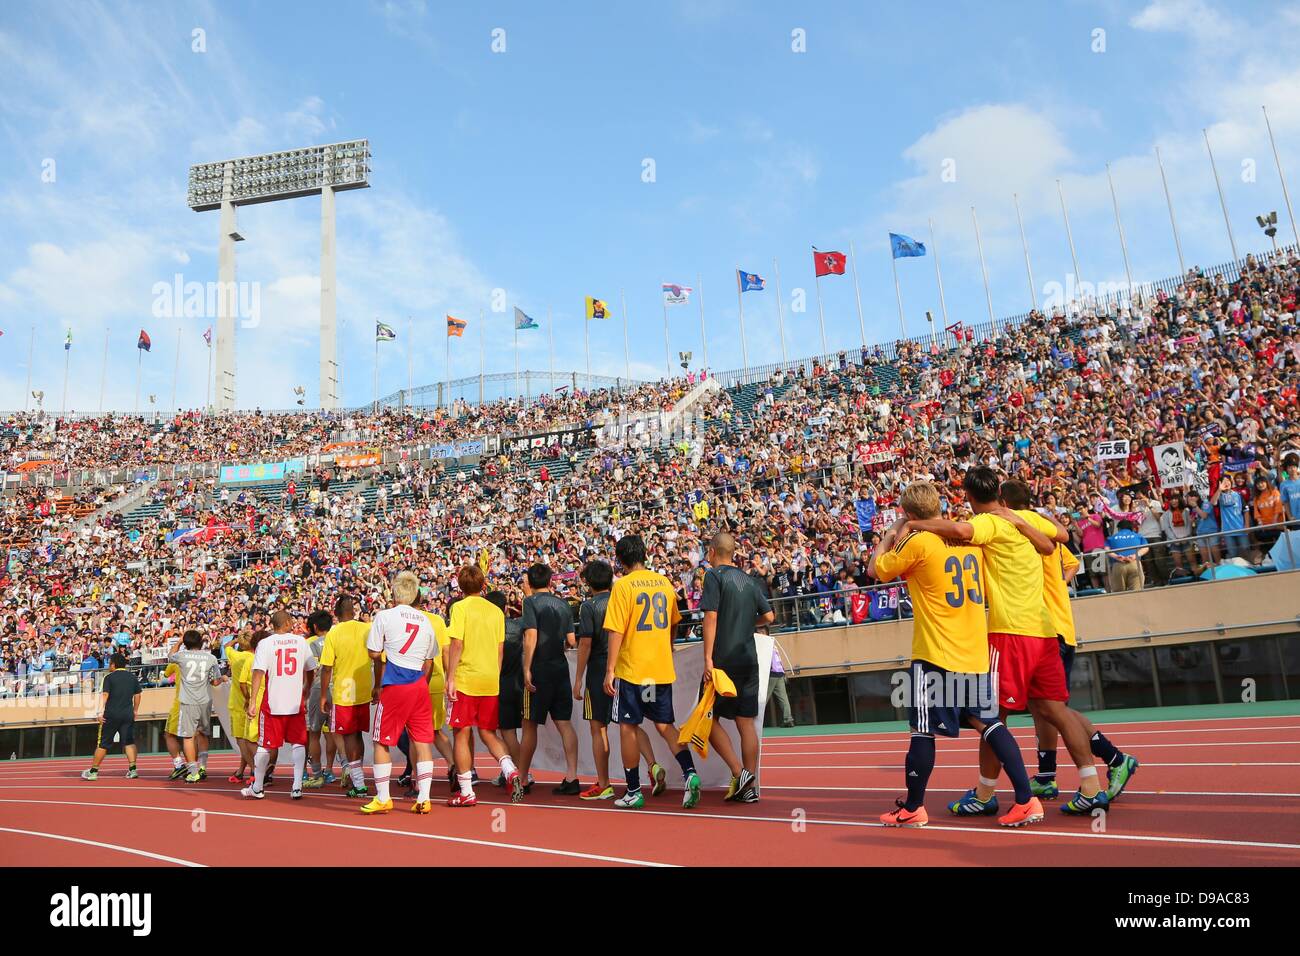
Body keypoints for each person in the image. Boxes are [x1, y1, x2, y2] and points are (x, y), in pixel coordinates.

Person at [902, 466, 1109, 817]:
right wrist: (1025, 524)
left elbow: (958, 529)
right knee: (1056, 710)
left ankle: (987, 794)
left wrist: (913, 524)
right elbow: (1057, 535)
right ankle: (1091, 786)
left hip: (1010, 631)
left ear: (969, 497)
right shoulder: (1024, 516)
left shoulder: (988, 522)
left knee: (992, 717)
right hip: (1045, 628)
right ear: (1000, 489)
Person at [870, 482, 1037, 828]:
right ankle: (1026, 798)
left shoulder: (918, 541)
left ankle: (914, 806)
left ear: (911, 515)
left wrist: (888, 535)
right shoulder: (968, 538)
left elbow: (876, 570)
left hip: (936, 651)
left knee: (921, 730)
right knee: (988, 723)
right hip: (974, 649)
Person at [998, 480, 1140, 802]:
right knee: (1040, 706)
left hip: (1051, 628)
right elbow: (1071, 560)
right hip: (1050, 626)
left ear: (1004, 502)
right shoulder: (1040, 527)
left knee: (1052, 707)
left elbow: (1066, 556)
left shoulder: (1022, 531)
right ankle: (1047, 775)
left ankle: (1115, 758)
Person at [603, 534, 702, 810]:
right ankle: (689, 773)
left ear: (620, 560)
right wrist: (666, 648)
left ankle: (634, 790)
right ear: (645, 554)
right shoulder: (664, 583)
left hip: (633, 669)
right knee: (664, 725)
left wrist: (610, 669)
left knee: (628, 727)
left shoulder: (622, 587)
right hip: (658, 668)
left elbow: (616, 631)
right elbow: (674, 623)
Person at [700, 532, 774, 803]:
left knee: (706, 717)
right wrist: (745, 624)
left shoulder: (713, 576)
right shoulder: (750, 580)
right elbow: (768, 616)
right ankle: (750, 785)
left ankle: (738, 772)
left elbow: (710, 616)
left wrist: (708, 658)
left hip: (723, 658)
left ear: (711, 552)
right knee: (745, 723)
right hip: (748, 658)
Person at [445, 565, 523, 806]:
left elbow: (456, 643)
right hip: (490, 678)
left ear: (460, 586)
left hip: (466, 678)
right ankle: (510, 769)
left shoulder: (459, 607)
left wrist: (451, 676)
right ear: (483, 584)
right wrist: (494, 674)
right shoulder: (496, 612)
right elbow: (500, 649)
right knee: (489, 732)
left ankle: (467, 790)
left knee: (462, 732)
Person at [362, 572, 438, 815]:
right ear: (416, 593)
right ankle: (424, 797)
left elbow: (373, 652)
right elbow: (429, 659)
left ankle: (383, 797)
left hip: (396, 683)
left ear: (394, 592)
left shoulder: (384, 616)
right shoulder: (426, 620)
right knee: (422, 740)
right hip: (418, 684)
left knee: (381, 741)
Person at [519, 563, 581, 795]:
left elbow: (531, 635)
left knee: (529, 724)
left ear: (532, 582)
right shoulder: (563, 603)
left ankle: (523, 778)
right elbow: (572, 640)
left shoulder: (530, 602)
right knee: (564, 723)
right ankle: (572, 776)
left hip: (540, 668)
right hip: (560, 667)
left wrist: (527, 668)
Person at [242, 610, 317, 801]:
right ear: (286, 623)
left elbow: (258, 672)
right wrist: (307, 688)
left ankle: (257, 786)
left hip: (273, 702)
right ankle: (297, 785)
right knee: (298, 743)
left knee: (264, 746)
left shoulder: (265, 643)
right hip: (294, 702)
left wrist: (252, 702)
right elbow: (311, 668)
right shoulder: (300, 641)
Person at [318, 595, 373, 799]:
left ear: (336, 613)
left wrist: (323, 694)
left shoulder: (334, 633)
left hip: (344, 692)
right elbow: (380, 659)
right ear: (354, 611)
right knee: (358, 734)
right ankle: (358, 777)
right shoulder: (367, 628)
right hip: (363, 689)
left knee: (349, 736)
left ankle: (358, 782)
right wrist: (377, 686)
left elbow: (326, 668)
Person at [168, 629, 220, 785]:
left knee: (188, 736)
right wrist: (223, 679)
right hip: (205, 700)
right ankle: (203, 767)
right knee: (203, 734)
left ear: (186, 643)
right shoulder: (211, 657)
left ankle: (193, 772)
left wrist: (178, 642)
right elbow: (215, 681)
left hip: (188, 701)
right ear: (201, 642)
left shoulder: (182, 656)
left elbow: (170, 656)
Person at [80, 653, 141, 781]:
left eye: (109, 663)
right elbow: (138, 695)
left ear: (113, 664)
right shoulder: (132, 677)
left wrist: (99, 712)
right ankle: (133, 769)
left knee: (103, 743)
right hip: (127, 714)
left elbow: (105, 695)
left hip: (111, 715)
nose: (108, 665)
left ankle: (94, 771)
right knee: (129, 741)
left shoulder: (109, 677)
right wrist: (135, 711)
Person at [302, 609, 333, 788]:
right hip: (337, 687)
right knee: (335, 732)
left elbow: (310, 670)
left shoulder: (310, 642)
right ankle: (339, 768)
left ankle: (316, 773)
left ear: (314, 626)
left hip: (317, 688)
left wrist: (305, 690)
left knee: (313, 733)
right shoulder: (336, 638)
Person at [223, 631, 255, 784]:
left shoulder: (235, 655)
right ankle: (242, 771)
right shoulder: (256, 657)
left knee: (241, 741)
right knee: (249, 739)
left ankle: (255, 769)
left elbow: (226, 645)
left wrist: (236, 639)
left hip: (238, 703)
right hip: (253, 702)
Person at [1105, 520, 1149, 592]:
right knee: (1137, 592)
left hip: (1118, 565)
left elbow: (1107, 550)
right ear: (1131, 528)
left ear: (1118, 529)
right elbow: (1146, 548)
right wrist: (1135, 556)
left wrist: (1116, 557)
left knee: (1119, 593)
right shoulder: (1138, 536)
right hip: (1135, 564)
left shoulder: (1111, 538)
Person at [767, 647, 794, 728]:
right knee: (783, 698)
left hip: (771, 673)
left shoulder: (764, 643)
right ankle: (788, 719)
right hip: (780, 673)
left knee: (763, 698)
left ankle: (755, 719)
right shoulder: (774, 646)